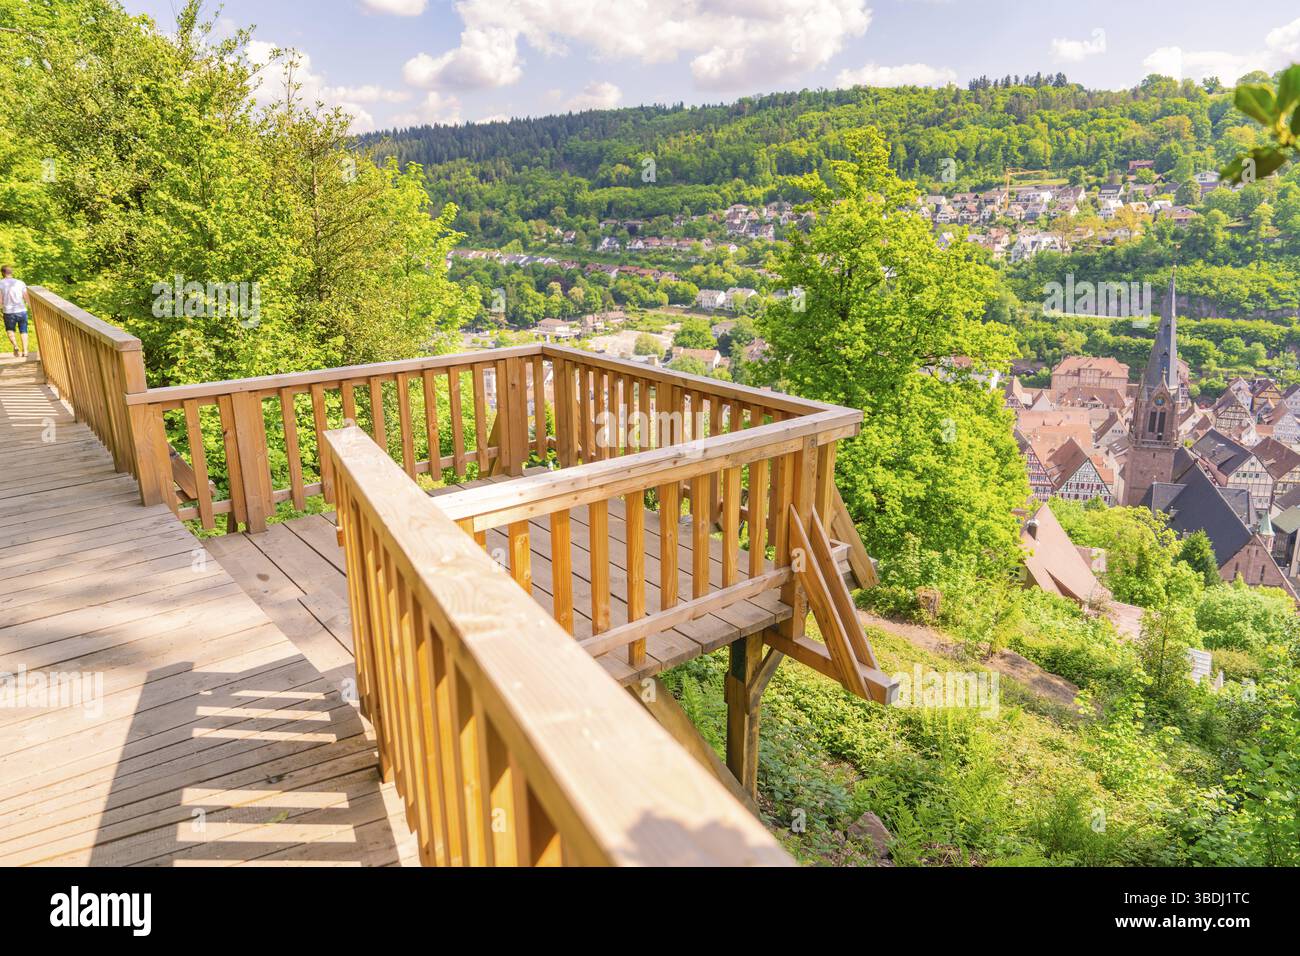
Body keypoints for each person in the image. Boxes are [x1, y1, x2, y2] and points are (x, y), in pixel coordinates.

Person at [1, 265, 31, 358]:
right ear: (11, 272)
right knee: (24, 331)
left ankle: (15, 345)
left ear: (2, 273)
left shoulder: (0, 283)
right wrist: (30, 306)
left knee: (10, 330)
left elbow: (0, 300)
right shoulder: (20, 283)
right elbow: (26, 296)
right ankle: (25, 351)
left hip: (8, 311)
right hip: (22, 310)